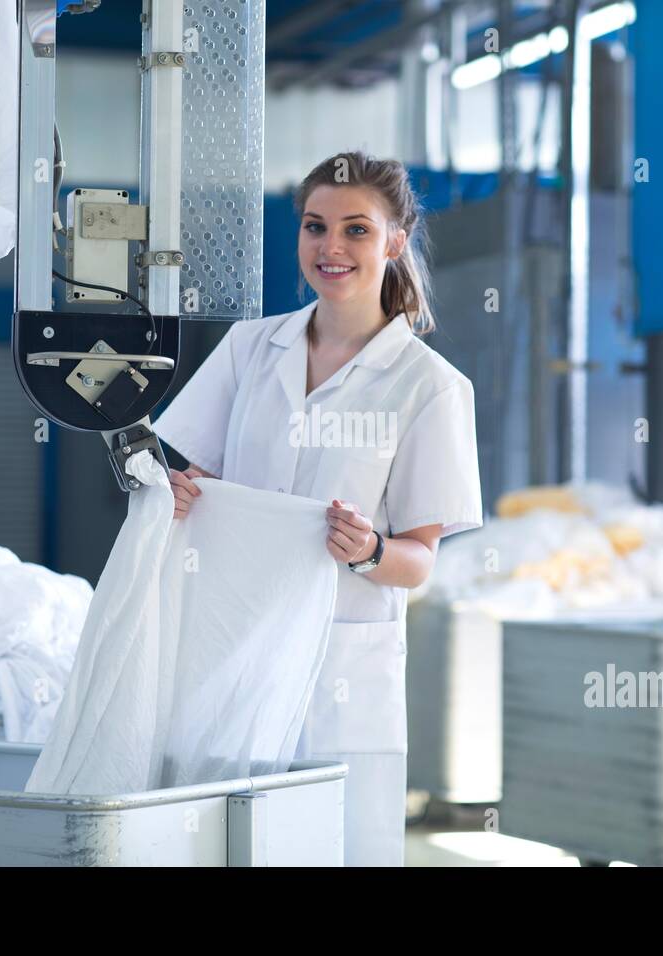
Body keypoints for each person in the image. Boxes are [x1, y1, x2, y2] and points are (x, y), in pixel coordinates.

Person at [153, 150, 482, 866]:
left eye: (356, 230)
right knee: (220, 846)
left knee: (333, 848)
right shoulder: (248, 349)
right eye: (315, 227)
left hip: (342, 669)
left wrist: (368, 551)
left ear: (395, 240)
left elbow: (418, 561)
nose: (331, 248)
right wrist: (175, 497)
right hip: (231, 646)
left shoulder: (430, 389)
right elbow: (194, 484)